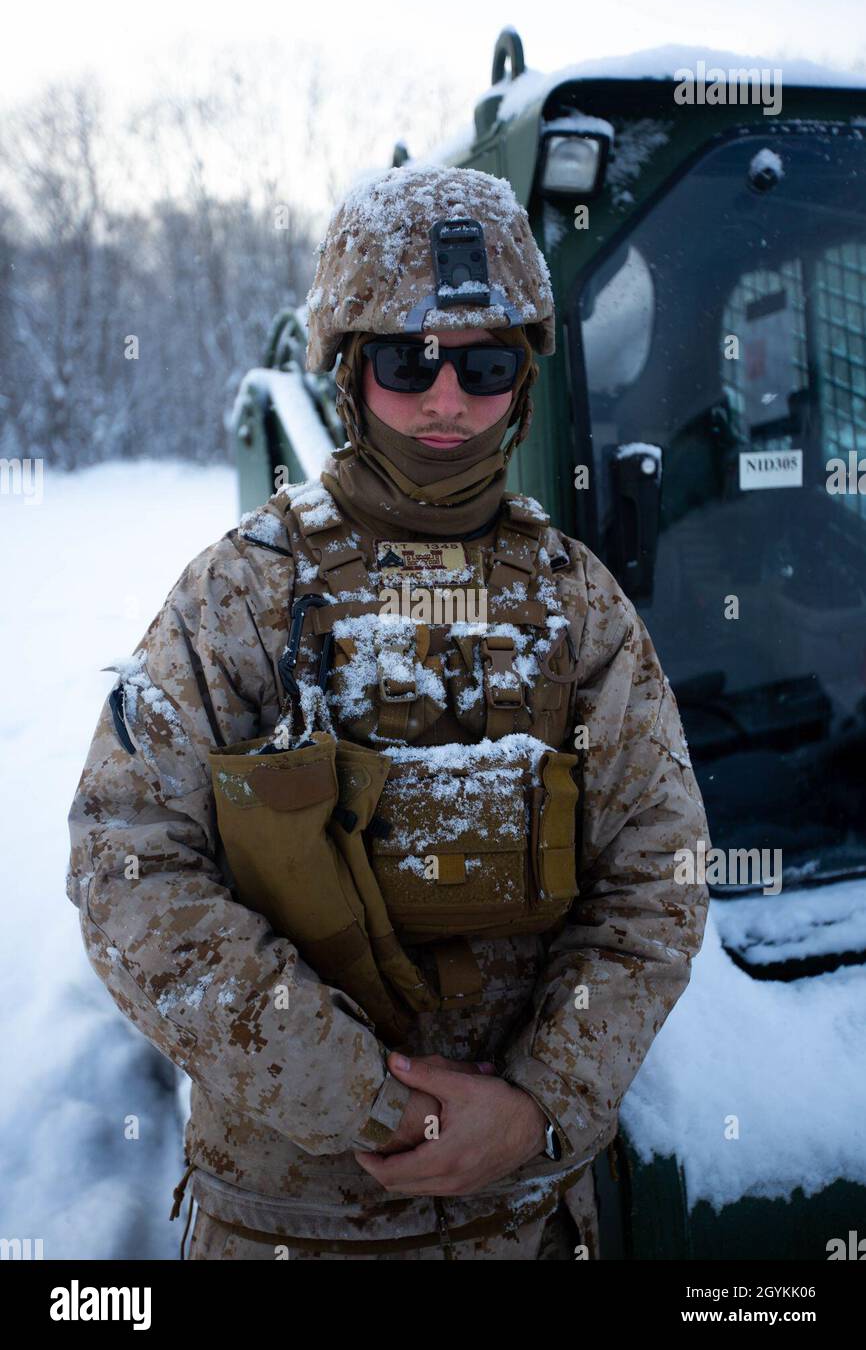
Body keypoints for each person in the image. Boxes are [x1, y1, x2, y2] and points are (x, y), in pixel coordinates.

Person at [66, 163, 710, 1261]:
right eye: (408, 362)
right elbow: (127, 870)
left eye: (484, 365)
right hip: (288, 1225)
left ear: (523, 378)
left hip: (525, 1218)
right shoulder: (240, 594)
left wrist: (537, 1104)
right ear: (351, 371)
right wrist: (371, 1102)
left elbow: (660, 874)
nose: (446, 400)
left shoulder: (579, 605)